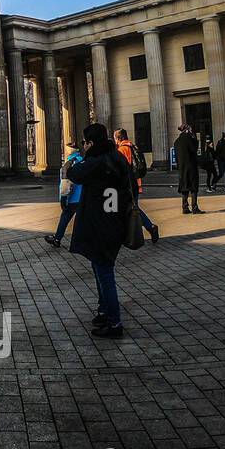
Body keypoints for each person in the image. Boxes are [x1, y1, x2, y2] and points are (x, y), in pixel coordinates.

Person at [67, 123, 136, 338]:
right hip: (114, 223)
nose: (83, 145)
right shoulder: (117, 157)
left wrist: (83, 155)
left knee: (104, 274)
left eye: (85, 142)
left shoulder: (96, 161)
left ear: (91, 143)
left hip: (101, 226)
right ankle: (105, 311)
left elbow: (73, 173)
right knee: (101, 270)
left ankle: (114, 322)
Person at [114, 128, 159, 243]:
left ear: (118, 138)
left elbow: (122, 169)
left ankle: (149, 228)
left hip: (128, 185)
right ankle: (148, 228)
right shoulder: (133, 147)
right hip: (135, 183)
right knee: (133, 208)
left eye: (115, 138)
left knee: (131, 209)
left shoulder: (122, 150)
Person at [44, 140, 83, 248]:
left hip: (72, 198)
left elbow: (65, 184)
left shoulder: (68, 164)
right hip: (83, 197)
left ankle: (57, 238)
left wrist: (63, 199)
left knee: (65, 218)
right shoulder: (83, 160)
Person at [174, 123, 202, 215]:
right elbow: (194, 150)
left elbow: (177, 157)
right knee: (194, 187)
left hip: (182, 168)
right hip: (191, 167)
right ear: (187, 130)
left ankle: (185, 207)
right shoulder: (189, 139)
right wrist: (195, 140)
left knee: (184, 187)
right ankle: (194, 207)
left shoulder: (177, 141)